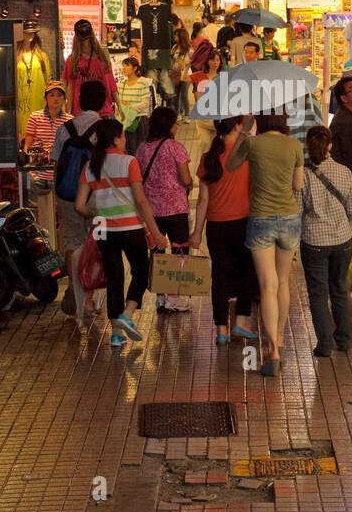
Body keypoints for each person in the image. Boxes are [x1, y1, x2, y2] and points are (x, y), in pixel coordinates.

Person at [74, 119, 168, 348]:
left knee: (115, 278)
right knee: (141, 271)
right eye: (123, 135)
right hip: (130, 228)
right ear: (116, 138)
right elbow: (141, 200)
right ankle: (127, 314)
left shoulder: (91, 166)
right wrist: (156, 234)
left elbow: (79, 205)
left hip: (105, 230)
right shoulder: (129, 162)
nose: (125, 139)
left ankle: (116, 335)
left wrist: (92, 215)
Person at [227, 111, 305, 377]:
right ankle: (280, 339)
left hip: (261, 218)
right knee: (282, 282)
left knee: (267, 286)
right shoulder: (294, 145)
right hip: (290, 217)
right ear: (283, 121)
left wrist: (244, 131)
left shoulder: (253, 143)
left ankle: (271, 350)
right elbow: (298, 185)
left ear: (259, 121)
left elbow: (230, 165)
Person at [192, 117, 259, 345]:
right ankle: (239, 323)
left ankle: (221, 330)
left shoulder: (208, 157)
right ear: (238, 126)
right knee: (248, 271)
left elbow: (202, 199)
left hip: (215, 226)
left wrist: (196, 233)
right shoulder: (247, 155)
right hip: (242, 223)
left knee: (219, 276)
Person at [298, 126, 352, 357]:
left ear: (308, 146)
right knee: (340, 289)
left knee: (318, 294)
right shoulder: (344, 172)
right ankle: (343, 340)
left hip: (313, 241)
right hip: (342, 240)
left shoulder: (302, 174)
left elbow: (297, 209)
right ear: (330, 146)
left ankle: (324, 344)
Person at [52, 79, 109, 324]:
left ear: (79, 99)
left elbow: (57, 164)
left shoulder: (65, 128)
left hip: (68, 193)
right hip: (97, 194)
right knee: (98, 245)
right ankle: (89, 299)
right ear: (103, 101)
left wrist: (60, 196)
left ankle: (74, 290)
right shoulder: (106, 129)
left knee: (73, 242)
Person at [135, 106, 193, 313]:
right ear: (169, 125)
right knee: (179, 251)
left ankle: (161, 297)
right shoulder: (175, 147)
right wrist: (190, 184)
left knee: (157, 252)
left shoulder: (142, 148)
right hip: (176, 208)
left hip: (152, 210)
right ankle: (174, 298)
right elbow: (186, 178)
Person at [24, 78, 69, 244]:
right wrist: (31, 154)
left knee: (60, 212)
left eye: (59, 95)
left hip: (59, 174)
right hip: (37, 172)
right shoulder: (35, 117)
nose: (56, 98)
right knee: (34, 210)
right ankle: (38, 242)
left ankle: (57, 244)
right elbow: (27, 144)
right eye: (52, 95)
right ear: (46, 98)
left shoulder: (69, 119)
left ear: (64, 99)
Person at [64, 19, 117, 116]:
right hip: (80, 111)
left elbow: (111, 81)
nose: (86, 41)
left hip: (103, 109)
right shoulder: (72, 60)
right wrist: (68, 112)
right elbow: (70, 86)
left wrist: (119, 106)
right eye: (83, 38)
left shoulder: (102, 57)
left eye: (87, 37)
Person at [328, 76, 352, 189]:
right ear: (344, 98)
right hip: (344, 180)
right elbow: (350, 159)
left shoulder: (347, 116)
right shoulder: (346, 122)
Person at [116, 56, 155, 154]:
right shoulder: (121, 85)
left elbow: (146, 103)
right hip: (125, 122)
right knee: (126, 150)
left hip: (138, 120)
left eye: (127, 66)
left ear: (135, 68)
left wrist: (129, 107)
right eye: (123, 66)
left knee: (139, 150)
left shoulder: (142, 82)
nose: (124, 68)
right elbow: (118, 104)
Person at [171, 26, 193, 118]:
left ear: (181, 36)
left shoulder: (188, 47)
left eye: (176, 35)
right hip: (176, 73)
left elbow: (192, 59)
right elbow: (171, 58)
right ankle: (178, 115)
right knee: (176, 95)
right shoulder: (174, 47)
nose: (174, 37)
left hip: (186, 73)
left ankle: (187, 115)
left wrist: (186, 64)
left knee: (184, 95)